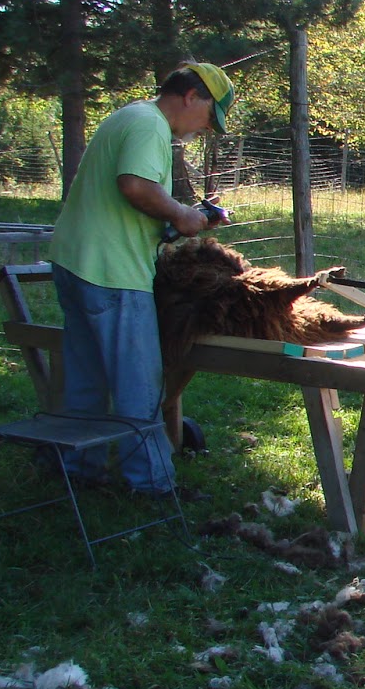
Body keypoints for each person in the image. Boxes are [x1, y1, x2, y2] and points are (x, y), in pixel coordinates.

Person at [47, 61, 234, 496]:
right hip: (113, 271)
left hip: (76, 261)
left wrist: (177, 220)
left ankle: (80, 470)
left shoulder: (128, 115)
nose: (205, 130)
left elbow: (128, 198)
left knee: (87, 378)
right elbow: (134, 186)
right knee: (138, 383)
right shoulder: (150, 124)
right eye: (209, 118)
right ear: (192, 96)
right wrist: (184, 215)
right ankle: (150, 485)